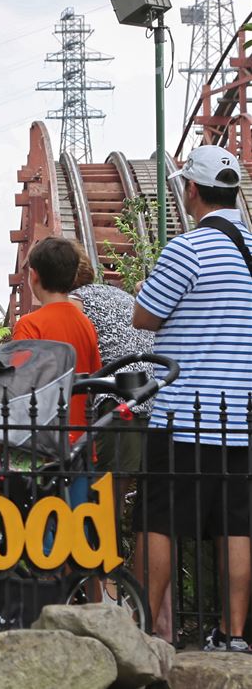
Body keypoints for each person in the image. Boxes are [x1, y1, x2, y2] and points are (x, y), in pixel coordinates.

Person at [132, 145, 252, 653]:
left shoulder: (189, 248)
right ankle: (233, 635)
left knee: (157, 520)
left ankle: (140, 629)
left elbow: (145, 317)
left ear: (193, 191)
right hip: (239, 414)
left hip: (184, 411)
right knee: (236, 525)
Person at [12, 237, 101, 506]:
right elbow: (94, 374)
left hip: (43, 445)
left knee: (43, 526)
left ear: (34, 276)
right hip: (81, 440)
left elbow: (19, 385)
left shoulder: (29, 325)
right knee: (78, 525)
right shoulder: (84, 323)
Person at [68, 243, 155, 506]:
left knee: (102, 501)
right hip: (152, 396)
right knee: (133, 498)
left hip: (119, 397)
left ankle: (100, 544)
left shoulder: (76, 300)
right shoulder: (120, 295)